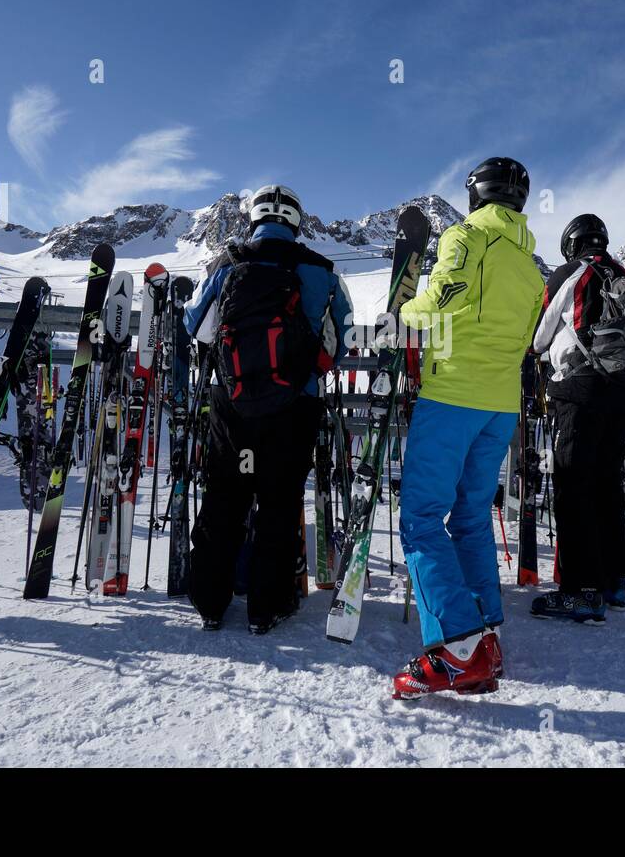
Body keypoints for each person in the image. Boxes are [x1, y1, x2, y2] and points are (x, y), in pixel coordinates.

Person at [391, 157, 544, 700]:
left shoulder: (465, 237)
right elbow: (528, 337)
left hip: (452, 395)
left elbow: (445, 300)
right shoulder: (531, 265)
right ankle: (486, 638)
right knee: (472, 517)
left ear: (476, 194)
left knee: (423, 518)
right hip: (500, 406)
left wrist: (405, 311)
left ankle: (456, 649)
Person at [184, 185, 352, 634]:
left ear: (253, 219)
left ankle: (210, 602)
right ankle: (267, 606)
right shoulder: (323, 271)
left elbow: (196, 325)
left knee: (224, 498)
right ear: (297, 221)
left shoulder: (227, 263)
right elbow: (342, 338)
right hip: (296, 405)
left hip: (231, 401)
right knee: (279, 504)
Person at [529, 214, 625, 623]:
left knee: (573, 484)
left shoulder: (572, 273)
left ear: (571, 244)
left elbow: (539, 336)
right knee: (606, 483)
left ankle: (580, 591)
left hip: (578, 389)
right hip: (622, 391)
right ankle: (613, 581)